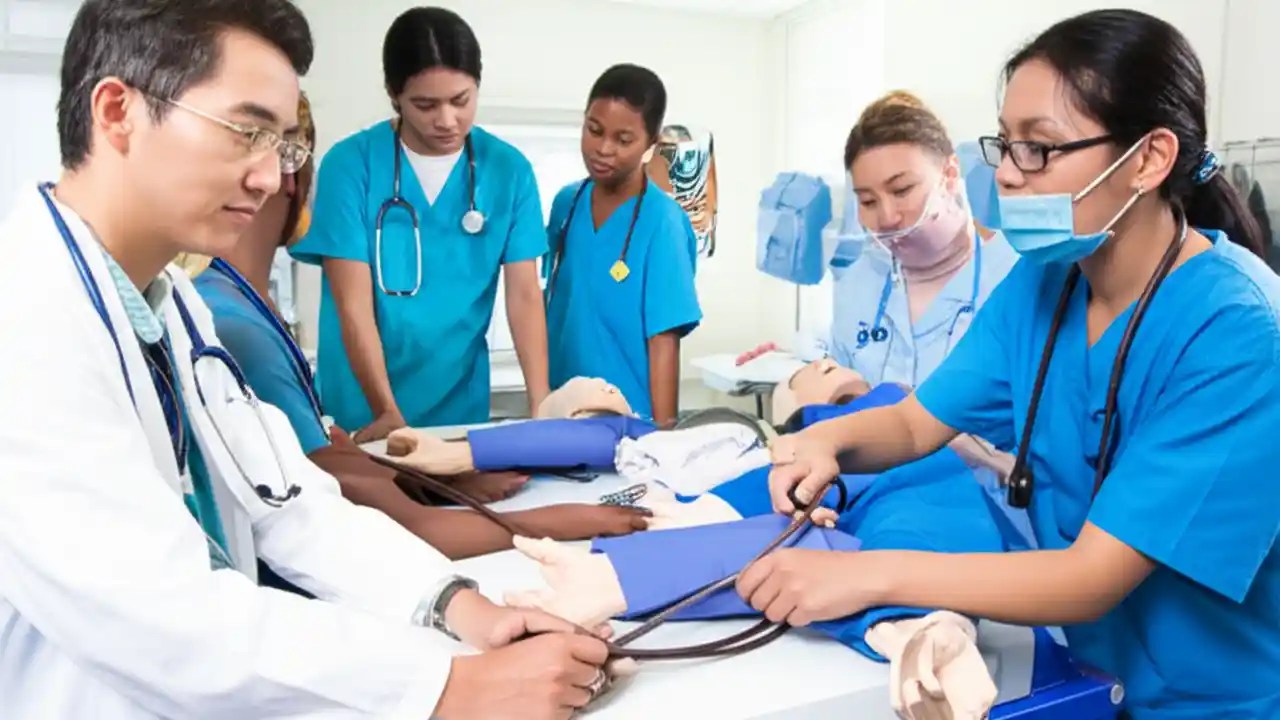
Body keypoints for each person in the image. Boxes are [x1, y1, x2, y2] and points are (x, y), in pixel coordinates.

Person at [0, 2, 614, 718]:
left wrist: (461, 607)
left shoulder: (175, 309)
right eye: (246, 132)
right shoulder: (28, 319)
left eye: (283, 146)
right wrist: (445, 685)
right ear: (117, 112)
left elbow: (285, 505)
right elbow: (155, 616)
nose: (271, 179)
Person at [761, 9, 1279, 719]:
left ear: (1151, 159)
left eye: (1038, 148)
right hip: (1091, 674)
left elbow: (1092, 577)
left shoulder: (1239, 332)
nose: (1005, 175)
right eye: (1004, 145)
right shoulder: (1045, 284)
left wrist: (863, 577)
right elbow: (915, 426)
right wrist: (824, 440)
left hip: (1214, 701)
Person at [194, 94, 649, 560]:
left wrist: (447, 481)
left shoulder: (233, 302)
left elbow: (331, 459)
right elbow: (355, 493)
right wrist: (563, 521)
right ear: (286, 179)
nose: (445, 121)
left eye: (460, 101)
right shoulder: (239, 331)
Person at [291, 7, 550, 442]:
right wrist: (386, 412)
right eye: (425, 105)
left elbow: (524, 294)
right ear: (394, 94)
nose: (447, 120)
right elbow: (352, 305)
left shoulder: (509, 171)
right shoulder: (350, 166)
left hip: (458, 407)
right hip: (364, 410)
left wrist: (541, 404)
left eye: (461, 100)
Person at [738, 91, 1018, 390]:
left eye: (902, 190)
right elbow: (844, 383)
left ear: (949, 175)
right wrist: (800, 372)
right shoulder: (861, 282)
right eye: (869, 201)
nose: (887, 218)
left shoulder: (1017, 277)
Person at [544, 64, 702, 427]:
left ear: (651, 143)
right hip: (562, 407)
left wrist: (664, 437)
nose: (603, 149)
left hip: (629, 420)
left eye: (624, 139)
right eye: (594, 130)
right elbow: (553, 304)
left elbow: (664, 340)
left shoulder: (663, 222)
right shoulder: (566, 204)